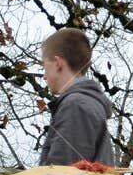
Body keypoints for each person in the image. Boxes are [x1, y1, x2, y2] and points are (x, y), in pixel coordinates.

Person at [39, 27, 115, 167]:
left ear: (57, 63)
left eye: (44, 67)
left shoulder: (76, 105)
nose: (44, 76)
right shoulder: (82, 103)